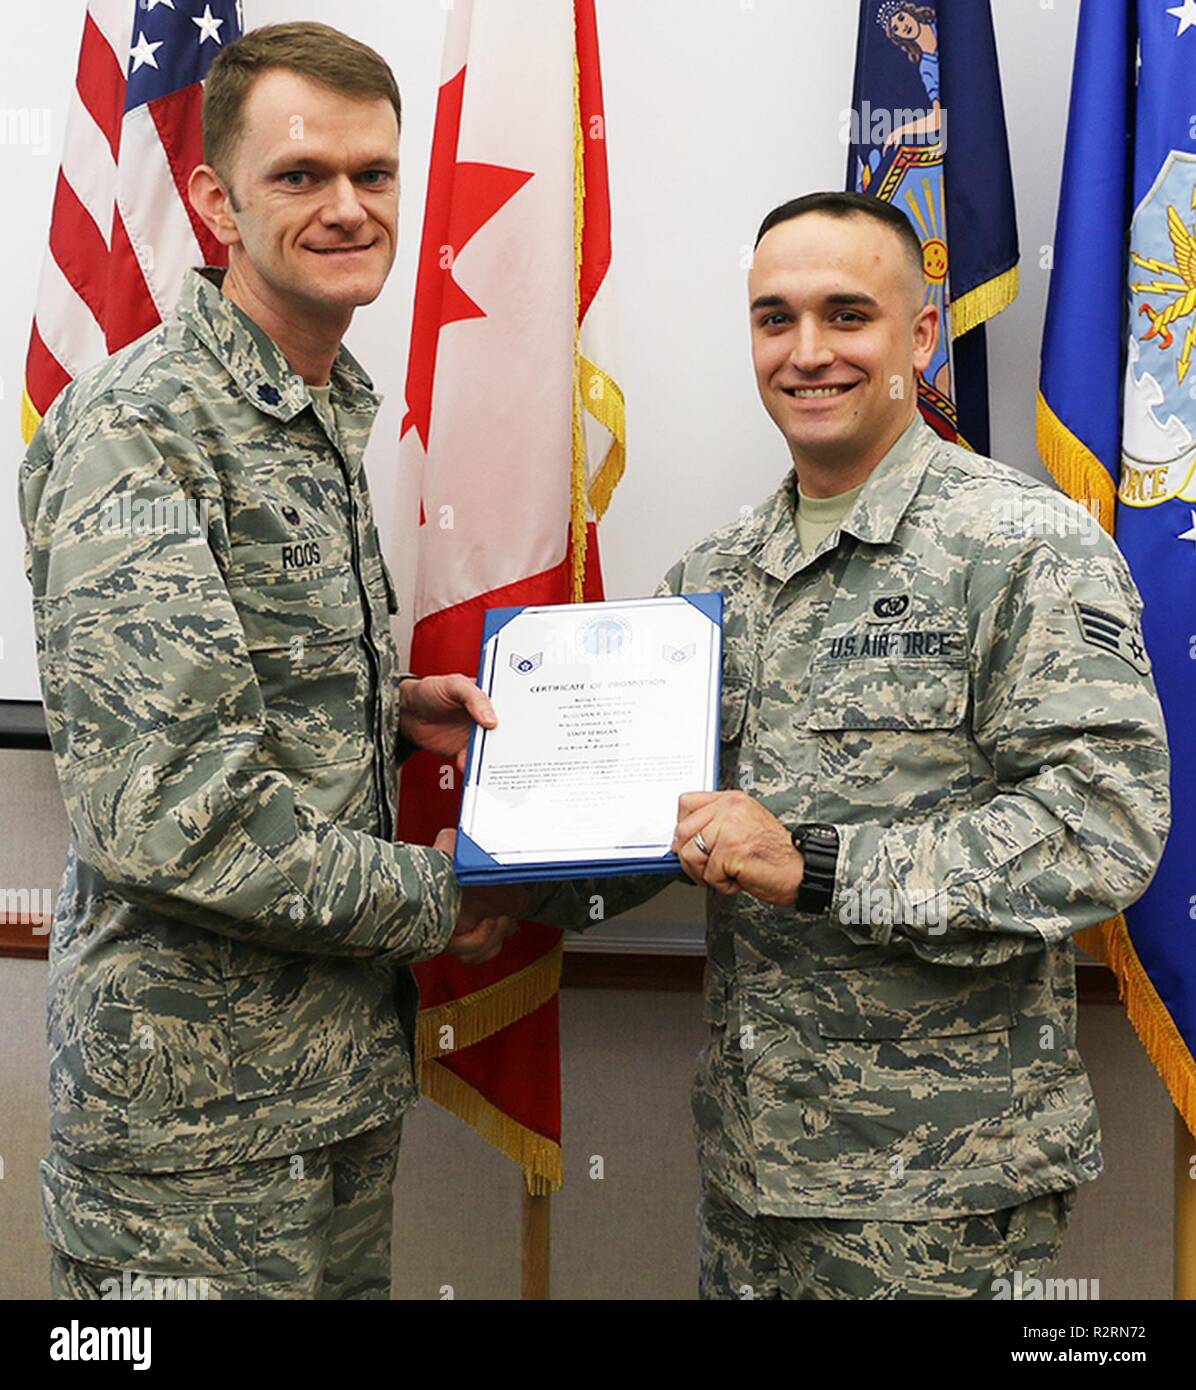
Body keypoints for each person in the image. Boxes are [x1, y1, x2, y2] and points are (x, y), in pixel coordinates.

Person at [520, 190, 1171, 1299]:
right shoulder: (709, 578)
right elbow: (646, 817)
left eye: (844, 314)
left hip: (941, 1194)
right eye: (774, 318)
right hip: (751, 1173)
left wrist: (819, 864)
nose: (805, 351)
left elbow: (1102, 827)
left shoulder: (1025, 548)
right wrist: (509, 873)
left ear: (918, 335)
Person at [19, 22, 514, 1301]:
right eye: (300, 176)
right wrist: (434, 900)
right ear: (213, 201)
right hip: (188, 1156)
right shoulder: (147, 427)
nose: (348, 208)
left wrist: (385, 709)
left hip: (324, 1097)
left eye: (373, 174)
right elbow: (171, 813)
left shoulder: (311, 406)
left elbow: (230, 680)